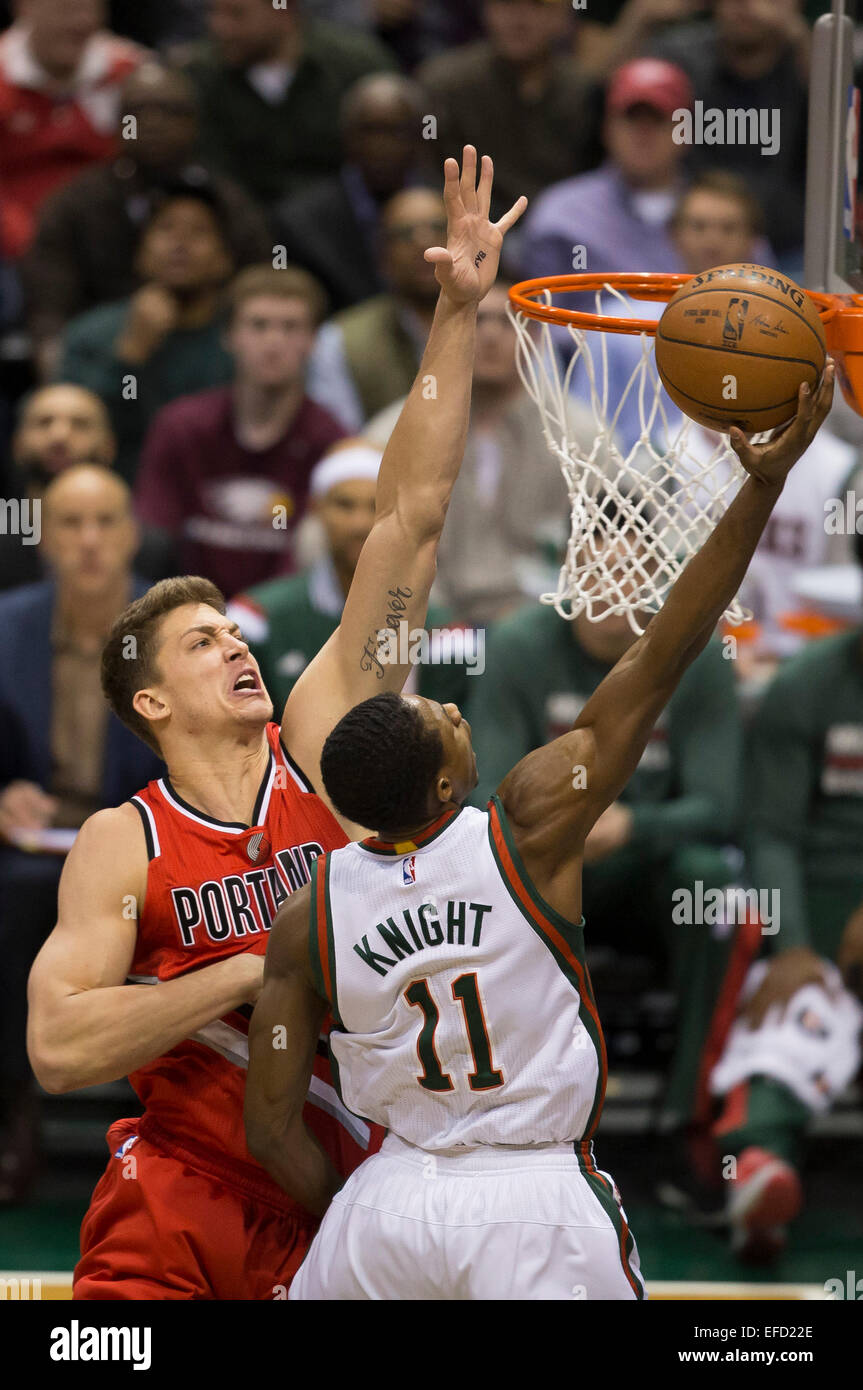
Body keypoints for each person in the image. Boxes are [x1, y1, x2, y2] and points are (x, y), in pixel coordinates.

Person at [27, 147, 528, 1300]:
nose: (234, 646)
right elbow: (58, 1048)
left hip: (344, 1198)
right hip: (178, 1198)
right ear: (148, 700)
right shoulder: (126, 839)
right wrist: (250, 965)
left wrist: (456, 312)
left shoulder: (320, 747)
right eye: (199, 644)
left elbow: (408, 519)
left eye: (231, 631)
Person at [243, 363, 835, 1301]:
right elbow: (663, 647)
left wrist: (360, 1217)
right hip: (532, 1202)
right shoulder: (526, 828)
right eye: (444, 714)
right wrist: (758, 486)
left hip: (384, 1204)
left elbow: (269, 1126)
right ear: (444, 780)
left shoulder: (308, 911)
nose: (453, 704)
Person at [465, 517, 743, 1133]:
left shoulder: (698, 657)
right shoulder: (518, 646)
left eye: (626, 572)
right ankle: (506, 1111)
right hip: (540, 869)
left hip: (646, 871)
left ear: (655, 580)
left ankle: (688, 1119)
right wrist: (555, 831)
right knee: (483, 873)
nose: (608, 589)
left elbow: (719, 806)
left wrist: (633, 826)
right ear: (566, 576)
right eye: (593, 572)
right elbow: (484, 793)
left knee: (713, 892)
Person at [0, 464, 164, 1205]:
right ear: (44, 538)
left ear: (131, 534)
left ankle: (172, 1116)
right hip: (26, 849)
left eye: (105, 523)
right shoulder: (7, 628)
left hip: (146, 844)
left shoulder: (167, 634)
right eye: (70, 523)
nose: (90, 541)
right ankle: (13, 1107)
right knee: (17, 897)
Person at [707, 529, 863, 1262]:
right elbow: (768, 832)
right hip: (820, 924)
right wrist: (794, 941)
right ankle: (759, 1172)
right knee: (790, 1020)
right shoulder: (806, 687)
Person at [364, 279, 599, 627]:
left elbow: (605, 543)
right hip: (420, 619)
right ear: (446, 333)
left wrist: (542, 619)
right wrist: (433, 618)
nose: (490, 336)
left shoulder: (580, 434)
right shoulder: (393, 432)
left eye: (508, 322)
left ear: (534, 336)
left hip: (545, 623)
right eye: (476, 320)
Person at [21, 62, 272, 374]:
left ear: (194, 124)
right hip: (102, 347)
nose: (152, 122)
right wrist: (61, 370)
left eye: (170, 111)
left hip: (209, 347)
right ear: (116, 123)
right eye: (137, 112)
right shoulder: (74, 204)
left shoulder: (227, 203)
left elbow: (261, 288)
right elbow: (50, 308)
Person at [134, 264, 345, 599]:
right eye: (258, 325)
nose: (273, 343)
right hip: (185, 613)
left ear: (313, 341)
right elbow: (153, 539)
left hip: (284, 623)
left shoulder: (332, 442)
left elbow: (317, 560)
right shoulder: (180, 427)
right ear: (229, 336)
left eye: (290, 327)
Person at [227, 440, 470, 711]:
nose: (359, 524)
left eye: (375, 506)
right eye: (345, 505)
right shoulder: (255, 619)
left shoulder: (445, 633)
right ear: (316, 508)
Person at [57, 183, 237, 483]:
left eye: (199, 231)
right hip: (109, 496)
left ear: (224, 260)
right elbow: (68, 434)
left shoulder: (241, 339)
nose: (180, 243)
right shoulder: (90, 334)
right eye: (165, 228)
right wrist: (130, 353)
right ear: (140, 253)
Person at [178, 0, 396, 209]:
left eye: (236, 13)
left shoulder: (356, 64)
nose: (219, 27)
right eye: (213, 12)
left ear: (283, 11)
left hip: (342, 222)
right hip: (238, 225)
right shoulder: (198, 75)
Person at [650, 0, 811, 265]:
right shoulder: (681, 56)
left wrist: (799, 38)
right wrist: (640, 19)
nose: (745, 5)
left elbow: (841, 126)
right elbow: (602, 103)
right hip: (686, 247)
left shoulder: (806, 60)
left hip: (792, 250)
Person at [417, 0, 600, 226]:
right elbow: (426, 175)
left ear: (563, 18)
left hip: (564, 231)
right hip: (466, 230)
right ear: (486, 11)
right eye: (506, 4)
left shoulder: (585, 92)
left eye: (537, 6)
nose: (519, 20)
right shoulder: (445, 85)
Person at [518, 56, 693, 282]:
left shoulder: (722, 218)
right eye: (631, 119)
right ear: (607, 128)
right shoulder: (563, 215)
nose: (643, 135)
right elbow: (538, 312)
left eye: (658, 120)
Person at [0, 0, 146, 258]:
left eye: (91, 9)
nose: (81, 22)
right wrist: (22, 239)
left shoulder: (130, 75)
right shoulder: (3, 77)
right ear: (25, 8)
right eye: (66, 8)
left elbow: (135, 150)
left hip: (106, 236)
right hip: (14, 244)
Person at [272, 72, 426, 314]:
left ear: (419, 137)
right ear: (348, 136)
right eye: (370, 131)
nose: (381, 145)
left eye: (395, 131)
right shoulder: (301, 223)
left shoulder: (455, 208)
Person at [0, 383, 175, 591]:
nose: (60, 435)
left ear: (109, 446)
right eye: (44, 423)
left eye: (80, 424)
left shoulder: (151, 549)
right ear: (16, 445)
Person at [307, 187, 445, 432]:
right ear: (383, 256)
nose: (423, 243)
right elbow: (341, 448)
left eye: (438, 228)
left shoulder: (507, 325)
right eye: (405, 234)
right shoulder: (341, 340)